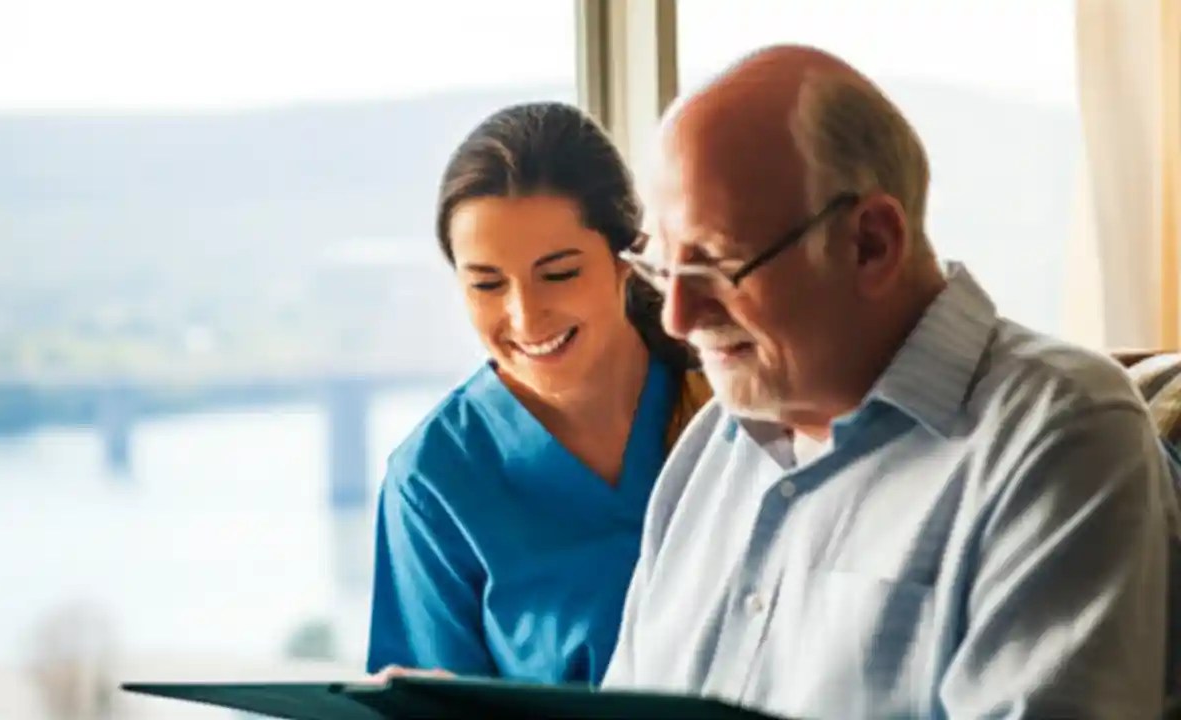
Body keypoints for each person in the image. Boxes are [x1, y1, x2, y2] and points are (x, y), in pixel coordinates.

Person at [604, 45, 1181, 718]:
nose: (676, 318)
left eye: (716, 266)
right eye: (660, 268)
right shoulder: (713, 448)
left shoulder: (1061, 436)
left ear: (871, 242)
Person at [365, 102, 711, 685]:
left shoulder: (729, 405)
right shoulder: (436, 480)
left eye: (558, 274)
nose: (524, 317)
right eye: (486, 284)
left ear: (627, 259)